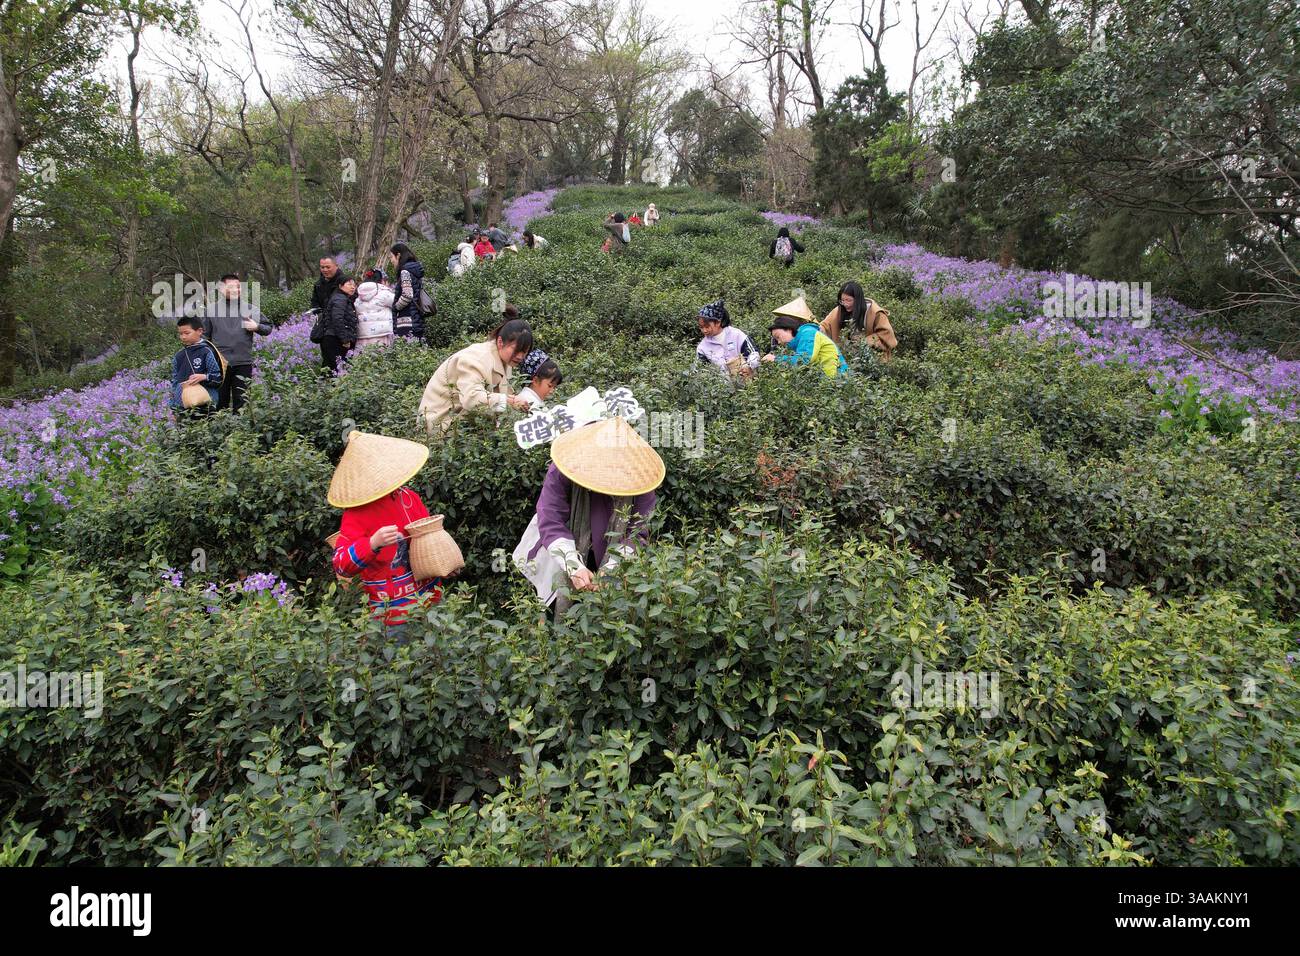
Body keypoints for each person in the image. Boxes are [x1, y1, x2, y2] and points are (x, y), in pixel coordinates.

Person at [512, 415, 663, 618]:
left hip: (611, 553)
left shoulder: (642, 478)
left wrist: (611, 569)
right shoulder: (564, 467)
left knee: (608, 615)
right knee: (558, 612)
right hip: (560, 550)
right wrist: (574, 566)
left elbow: (637, 532)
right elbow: (550, 519)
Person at [329, 430, 443, 645]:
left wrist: (444, 563)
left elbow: (430, 540)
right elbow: (341, 565)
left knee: (437, 659)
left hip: (430, 598)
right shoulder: (356, 513)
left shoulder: (409, 497)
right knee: (402, 667)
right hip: (393, 614)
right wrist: (373, 543)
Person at [417, 316, 535, 433]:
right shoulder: (475, 359)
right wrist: (510, 401)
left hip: (458, 417)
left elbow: (506, 393)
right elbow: (471, 399)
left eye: (524, 352)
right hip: (439, 424)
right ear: (500, 342)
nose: (520, 356)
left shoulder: (504, 358)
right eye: (516, 350)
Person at [202, 272, 271, 412]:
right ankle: (223, 432)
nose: (235, 290)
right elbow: (204, 338)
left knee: (243, 404)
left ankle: (242, 433)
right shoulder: (211, 310)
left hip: (243, 362)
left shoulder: (251, 308)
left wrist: (257, 327)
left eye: (238, 287)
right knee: (220, 404)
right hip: (220, 365)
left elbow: (268, 328)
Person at [763, 297, 847, 378]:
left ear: (788, 328)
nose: (778, 342)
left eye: (778, 337)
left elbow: (805, 360)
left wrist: (776, 359)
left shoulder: (808, 333)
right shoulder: (801, 338)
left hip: (838, 382)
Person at [819, 280, 898, 361]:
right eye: (842, 300)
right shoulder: (839, 310)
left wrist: (865, 342)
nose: (845, 304)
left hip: (873, 359)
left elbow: (887, 336)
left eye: (849, 300)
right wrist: (816, 329)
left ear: (857, 300)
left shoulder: (875, 313)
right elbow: (825, 326)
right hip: (848, 357)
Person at [169, 315, 225, 413]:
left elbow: (218, 378)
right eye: (181, 334)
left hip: (205, 404)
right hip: (183, 406)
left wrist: (204, 377)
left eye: (187, 333)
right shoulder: (178, 356)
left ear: (199, 331)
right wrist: (173, 408)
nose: (183, 337)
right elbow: (175, 382)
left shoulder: (207, 351)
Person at [695, 300, 759, 379]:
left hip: (747, 385)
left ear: (718, 322)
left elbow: (753, 353)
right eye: (701, 327)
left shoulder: (737, 335)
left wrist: (749, 366)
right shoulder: (702, 347)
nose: (704, 330)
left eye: (707, 326)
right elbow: (701, 370)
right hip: (722, 388)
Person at [389, 243, 427, 341]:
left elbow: (407, 295)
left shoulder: (405, 272)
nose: (391, 260)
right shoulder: (414, 270)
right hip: (416, 318)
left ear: (398, 255)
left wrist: (396, 307)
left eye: (391, 257)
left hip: (407, 320)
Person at [321, 277, 359, 373]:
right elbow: (337, 319)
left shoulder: (343, 298)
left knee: (333, 370)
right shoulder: (340, 299)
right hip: (336, 340)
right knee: (339, 371)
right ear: (340, 286)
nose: (353, 287)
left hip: (334, 338)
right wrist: (345, 339)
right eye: (349, 284)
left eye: (354, 285)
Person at [354, 269, 395, 350]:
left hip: (363, 335)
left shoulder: (359, 297)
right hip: (382, 334)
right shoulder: (384, 293)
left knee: (364, 360)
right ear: (382, 281)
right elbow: (397, 303)